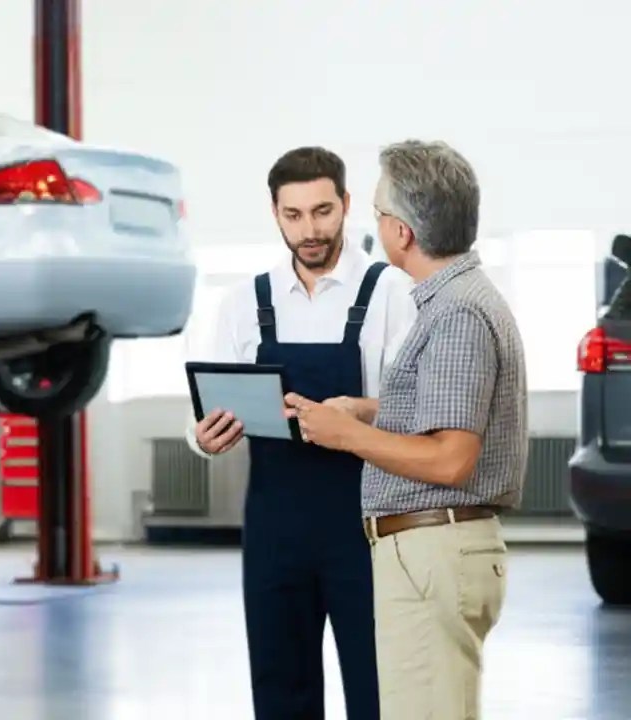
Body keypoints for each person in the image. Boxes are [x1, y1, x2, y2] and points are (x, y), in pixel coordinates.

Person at [286, 139, 527, 719]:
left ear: (402, 232)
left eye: (377, 213)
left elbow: (450, 459)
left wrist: (344, 435)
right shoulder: (452, 301)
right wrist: (369, 412)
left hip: (432, 553)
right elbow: (450, 414)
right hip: (431, 553)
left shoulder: (456, 313)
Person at [186, 146, 417, 719]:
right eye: (293, 215)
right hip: (275, 527)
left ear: (346, 204)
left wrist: (357, 411)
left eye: (322, 212)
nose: (309, 230)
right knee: (279, 687)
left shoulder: (392, 293)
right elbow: (208, 408)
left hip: (368, 525)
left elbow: (417, 411)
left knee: (379, 688)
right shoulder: (243, 303)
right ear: (275, 213)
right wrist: (203, 439)